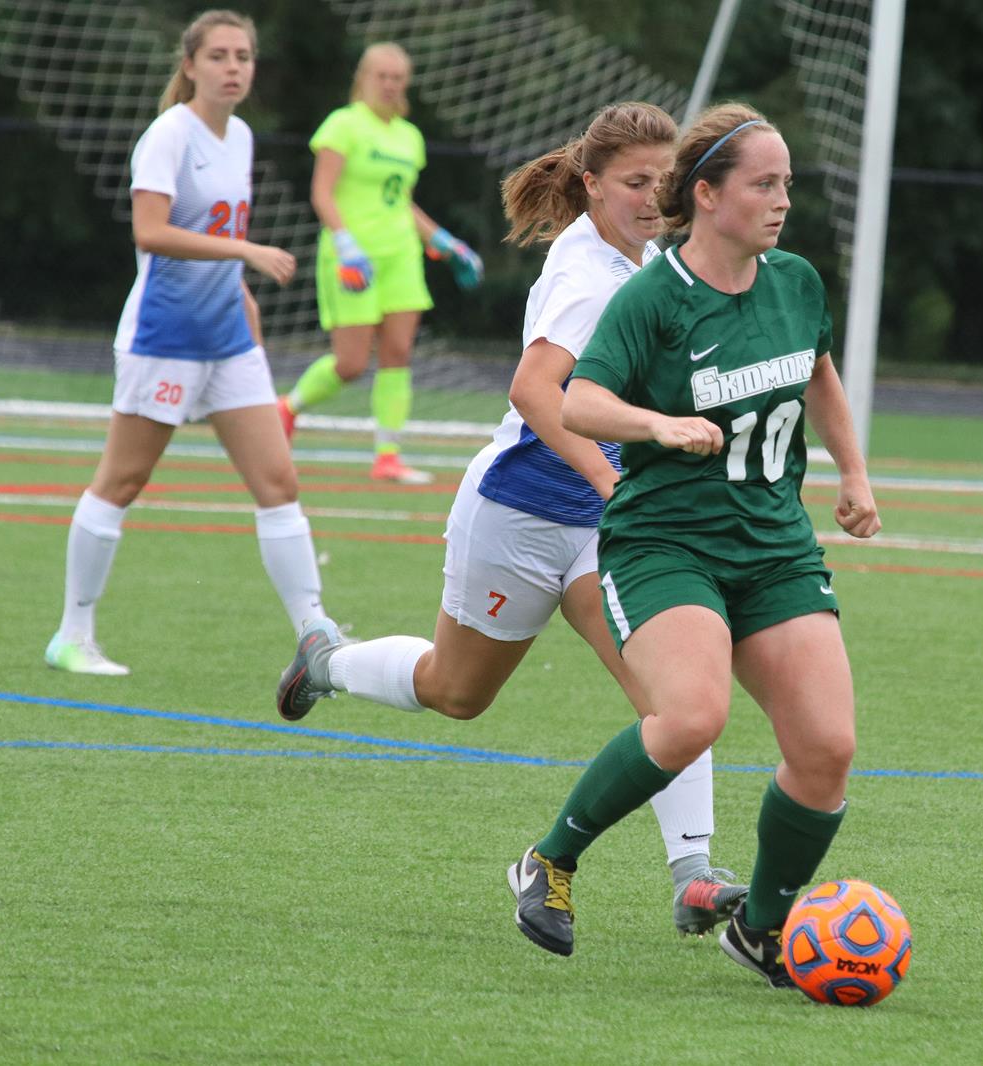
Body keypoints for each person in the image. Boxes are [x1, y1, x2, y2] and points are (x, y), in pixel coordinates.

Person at [274, 101, 747, 937]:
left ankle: (695, 875)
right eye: (634, 182)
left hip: (611, 533)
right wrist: (612, 479)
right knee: (454, 693)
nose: (652, 196)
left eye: (664, 181)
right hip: (521, 513)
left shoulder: (654, 261)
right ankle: (330, 660)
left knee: (677, 694)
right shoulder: (583, 272)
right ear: (593, 186)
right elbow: (534, 392)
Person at [502, 102, 881, 981]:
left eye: (787, 183)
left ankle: (762, 932)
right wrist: (659, 425)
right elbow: (576, 401)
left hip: (776, 547)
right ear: (706, 195)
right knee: (692, 715)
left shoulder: (794, 281)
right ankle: (550, 861)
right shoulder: (653, 296)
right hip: (665, 545)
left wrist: (854, 475)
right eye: (764, 184)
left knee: (827, 750)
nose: (782, 200)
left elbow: (817, 371)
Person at [44, 9, 326, 676]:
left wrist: (246, 306)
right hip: (163, 338)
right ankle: (72, 635)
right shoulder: (168, 136)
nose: (234, 67)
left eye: (244, 57)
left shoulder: (243, 138)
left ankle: (316, 633)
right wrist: (246, 250)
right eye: (220, 56)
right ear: (191, 65)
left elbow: (220, 253)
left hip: (227, 340)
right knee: (123, 480)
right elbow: (151, 232)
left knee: (278, 480)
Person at [277, 42, 484, 485]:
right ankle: (287, 409)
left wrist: (446, 242)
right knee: (350, 363)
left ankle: (388, 455)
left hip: (401, 256)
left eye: (398, 78)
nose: (390, 85)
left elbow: (402, 203)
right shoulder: (343, 124)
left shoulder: (409, 136)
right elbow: (323, 193)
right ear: (364, 77)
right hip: (352, 257)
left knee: (398, 353)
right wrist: (347, 244)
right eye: (382, 76)